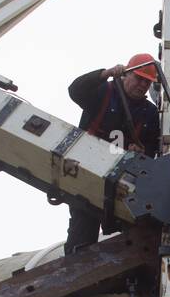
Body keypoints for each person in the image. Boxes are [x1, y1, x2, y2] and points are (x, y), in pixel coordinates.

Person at [65, 54, 162, 252]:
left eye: (147, 81)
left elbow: (152, 146)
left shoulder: (150, 114)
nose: (142, 84)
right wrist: (104, 74)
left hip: (121, 185)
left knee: (131, 242)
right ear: (126, 74)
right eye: (139, 78)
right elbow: (75, 91)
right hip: (87, 174)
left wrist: (143, 152)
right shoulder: (104, 91)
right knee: (82, 236)